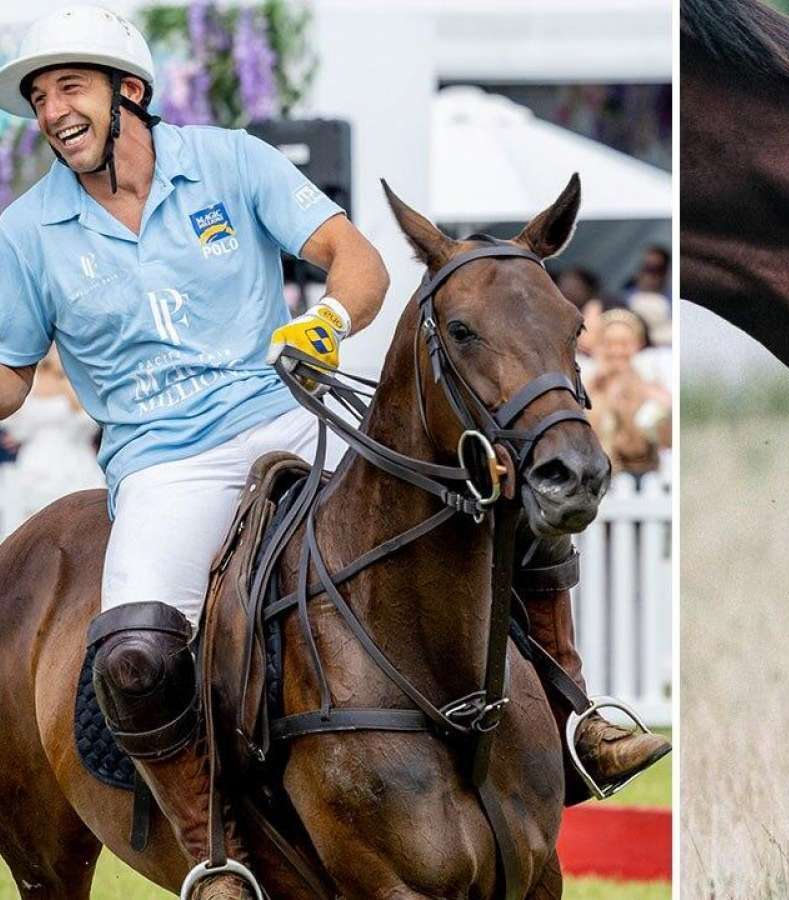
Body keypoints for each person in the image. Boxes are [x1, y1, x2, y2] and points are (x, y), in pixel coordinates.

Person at [0, 12, 666, 896]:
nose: (53, 111)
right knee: (134, 653)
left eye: (69, 87)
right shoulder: (27, 230)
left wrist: (324, 320)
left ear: (131, 90)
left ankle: (577, 721)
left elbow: (355, 260)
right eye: (39, 97)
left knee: (504, 502)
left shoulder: (231, 161)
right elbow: (10, 377)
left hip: (287, 407)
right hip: (166, 465)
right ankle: (214, 852)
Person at [2, 348, 103, 527]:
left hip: (77, 463)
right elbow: (17, 423)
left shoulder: (82, 379)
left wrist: (63, 379)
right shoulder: (32, 379)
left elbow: (89, 421)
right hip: (36, 464)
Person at [585, 309, 671, 478]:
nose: (617, 351)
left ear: (637, 345)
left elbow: (665, 438)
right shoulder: (587, 387)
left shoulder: (650, 387)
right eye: (609, 344)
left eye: (624, 344)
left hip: (644, 479)